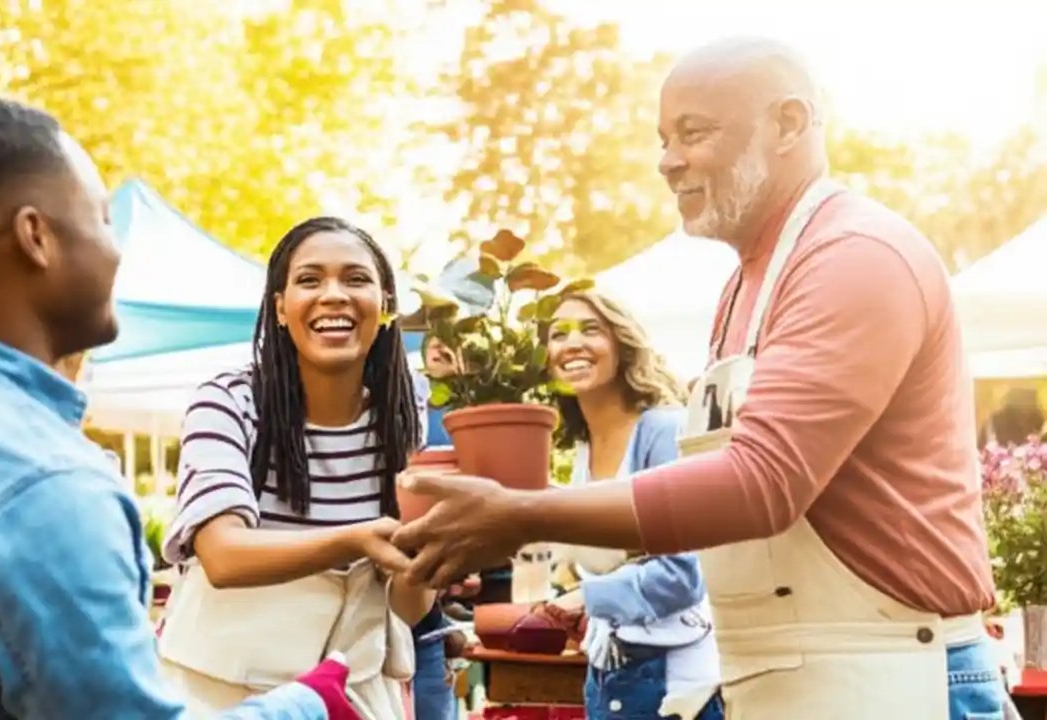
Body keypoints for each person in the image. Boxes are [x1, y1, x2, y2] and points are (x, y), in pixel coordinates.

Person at [392, 37, 1005, 720]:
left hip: (896, 677)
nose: (667, 160)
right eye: (662, 138)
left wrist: (521, 513)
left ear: (790, 123)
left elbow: (762, 483)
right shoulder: (745, 287)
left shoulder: (854, 256)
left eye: (694, 132)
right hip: (792, 682)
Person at [0, 96, 347, 720]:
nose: (118, 253)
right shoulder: (43, 485)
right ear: (35, 236)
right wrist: (307, 703)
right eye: (101, 220)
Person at [157, 216, 434, 719]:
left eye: (356, 279)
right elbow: (222, 556)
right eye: (310, 279)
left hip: (355, 694)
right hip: (223, 693)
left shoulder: (404, 413)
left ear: (387, 305)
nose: (333, 295)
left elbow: (409, 607)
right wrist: (354, 540)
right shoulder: (229, 402)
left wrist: (429, 555)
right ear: (280, 308)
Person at [542, 292, 722, 720]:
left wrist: (586, 597)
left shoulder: (663, 429)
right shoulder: (583, 447)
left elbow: (683, 573)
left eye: (591, 329)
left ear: (622, 345)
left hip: (676, 682)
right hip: (611, 671)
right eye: (557, 334)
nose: (572, 344)